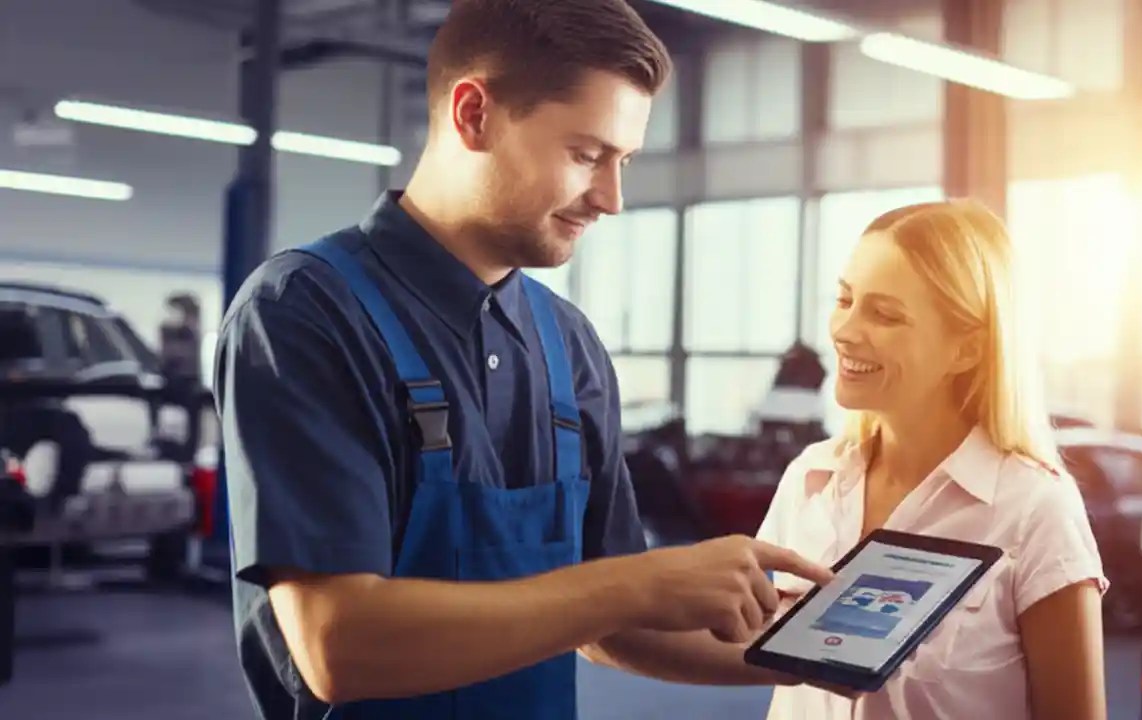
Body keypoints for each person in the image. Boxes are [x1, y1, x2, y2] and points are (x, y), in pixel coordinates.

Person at [213, 2, 834, 719]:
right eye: (585, 154)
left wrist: (820, 657)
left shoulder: (568, 345)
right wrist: (643, 581)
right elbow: (338, 645)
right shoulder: (304, 313)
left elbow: (615, 628)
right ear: (473, 114)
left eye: (623, 161)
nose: (611, 198)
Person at [757, 200, 1109, 719]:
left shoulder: (1034, 508)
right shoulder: (810, 479)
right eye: (845, 299)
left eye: (884, 314)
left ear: (966, 349)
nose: (845, 331)